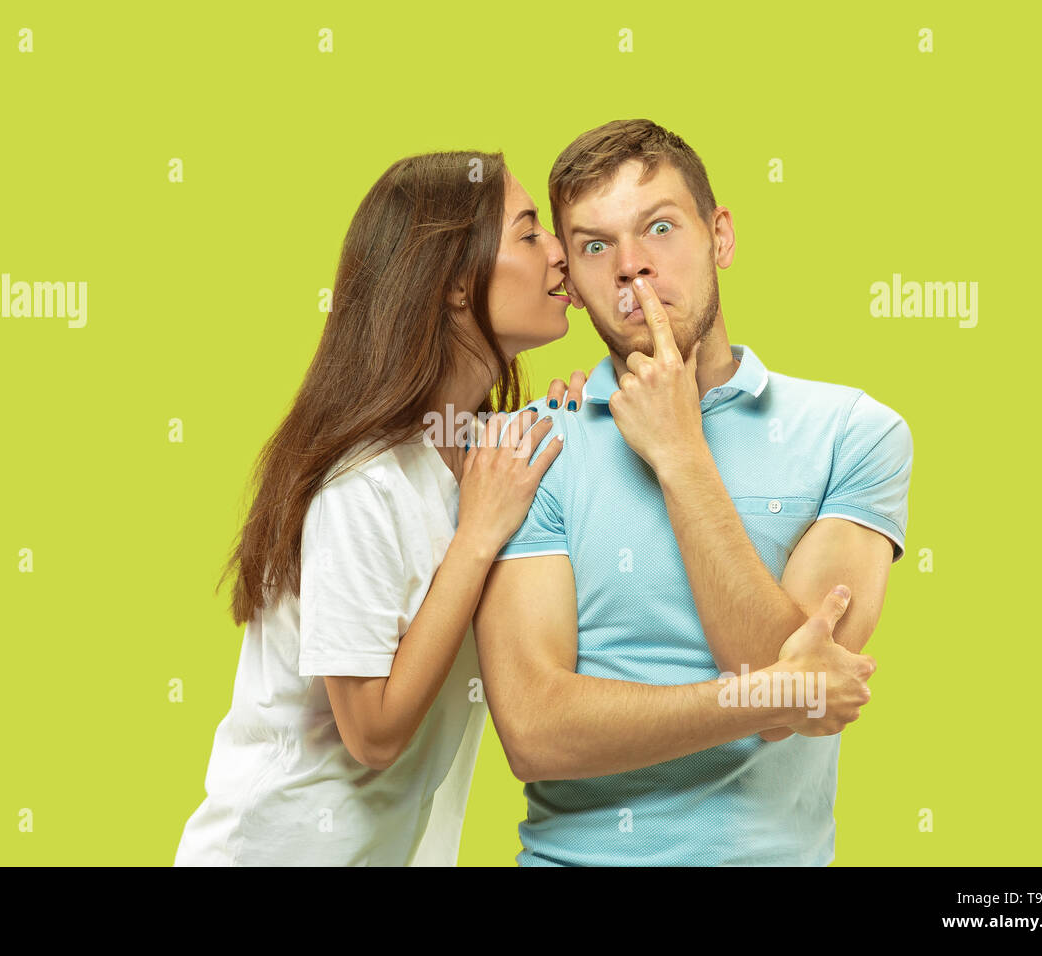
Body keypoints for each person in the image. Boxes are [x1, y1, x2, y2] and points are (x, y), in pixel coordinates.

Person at [473, 119, 910, 866]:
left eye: (661, 228)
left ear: (721, 238)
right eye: (596, 246)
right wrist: (765, 694)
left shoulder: (855, 432)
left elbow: (794, 697)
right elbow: (535, 732)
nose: (633, 269)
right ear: (573, 283)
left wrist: (680, 455)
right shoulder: (528, 447)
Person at [173, 150, 590, 866]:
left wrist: (574, 435)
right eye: (529, 234)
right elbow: (373, 733)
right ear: (458, 285)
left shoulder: (478, 452)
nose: (561, 255)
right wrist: (479, 534)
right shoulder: (361, 487)